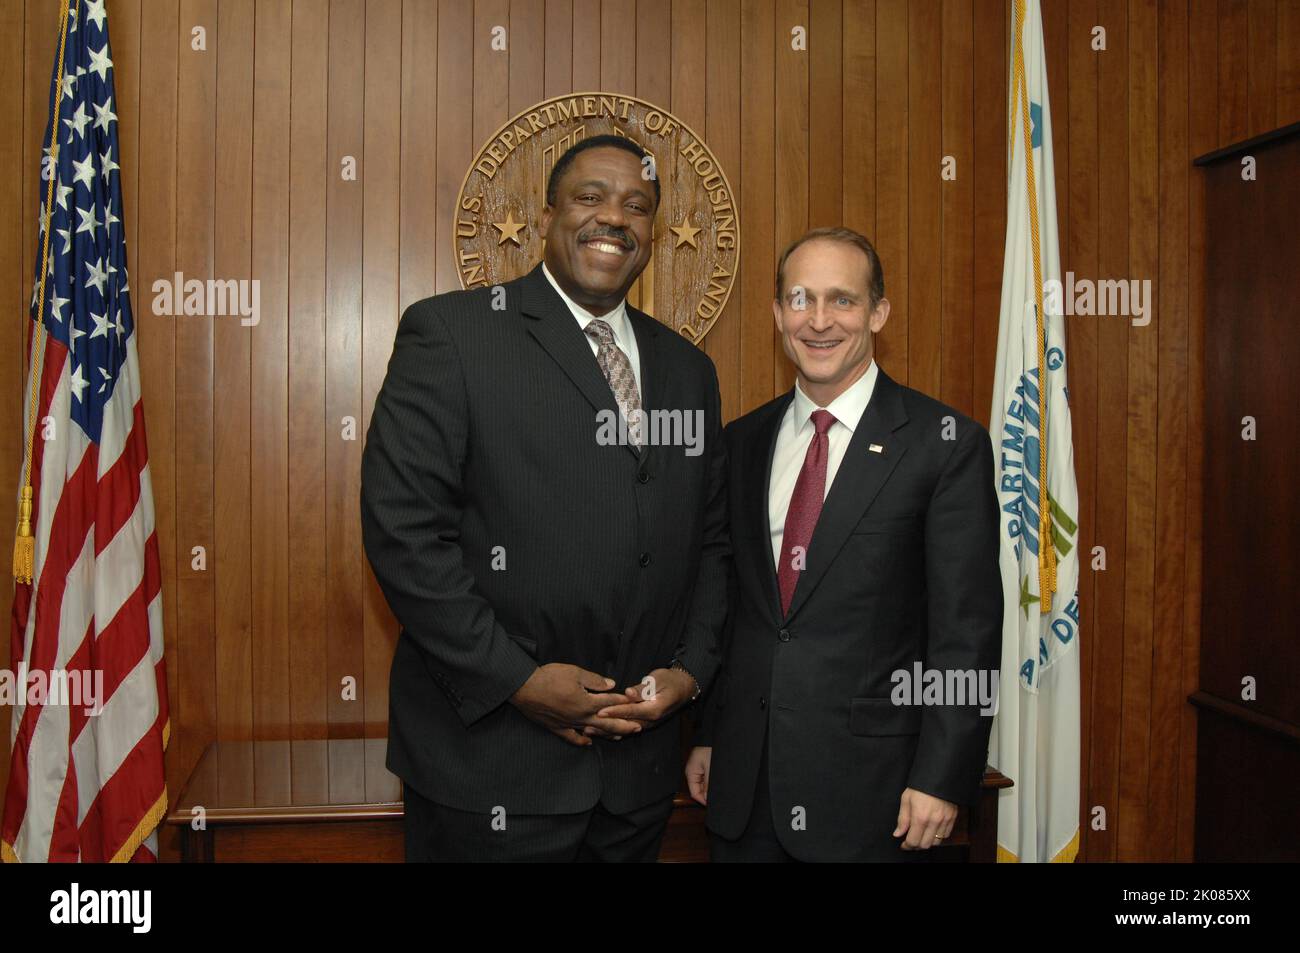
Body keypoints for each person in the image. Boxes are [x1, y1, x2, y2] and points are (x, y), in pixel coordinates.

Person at [361, 135, 727, 862]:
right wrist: (518, 681)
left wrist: (689, 674)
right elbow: (404, 534)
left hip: (636, 777)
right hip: (491, 767)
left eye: (638, 206)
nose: (614, 219)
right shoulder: (454, 333)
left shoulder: (688, 371)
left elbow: (710, 541)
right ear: (547, 213)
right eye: (591, 197)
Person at [686, 226, 1002, 862]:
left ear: (878, 313)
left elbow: (965, 633)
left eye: (843, 300)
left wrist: (940, 777)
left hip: (879, 797)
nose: (819, 321)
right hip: (745, 793)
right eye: (801, 299)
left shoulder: (944, 445)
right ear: (778, 313)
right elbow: (733, 608)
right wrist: (711, 733)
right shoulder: (742, 442)